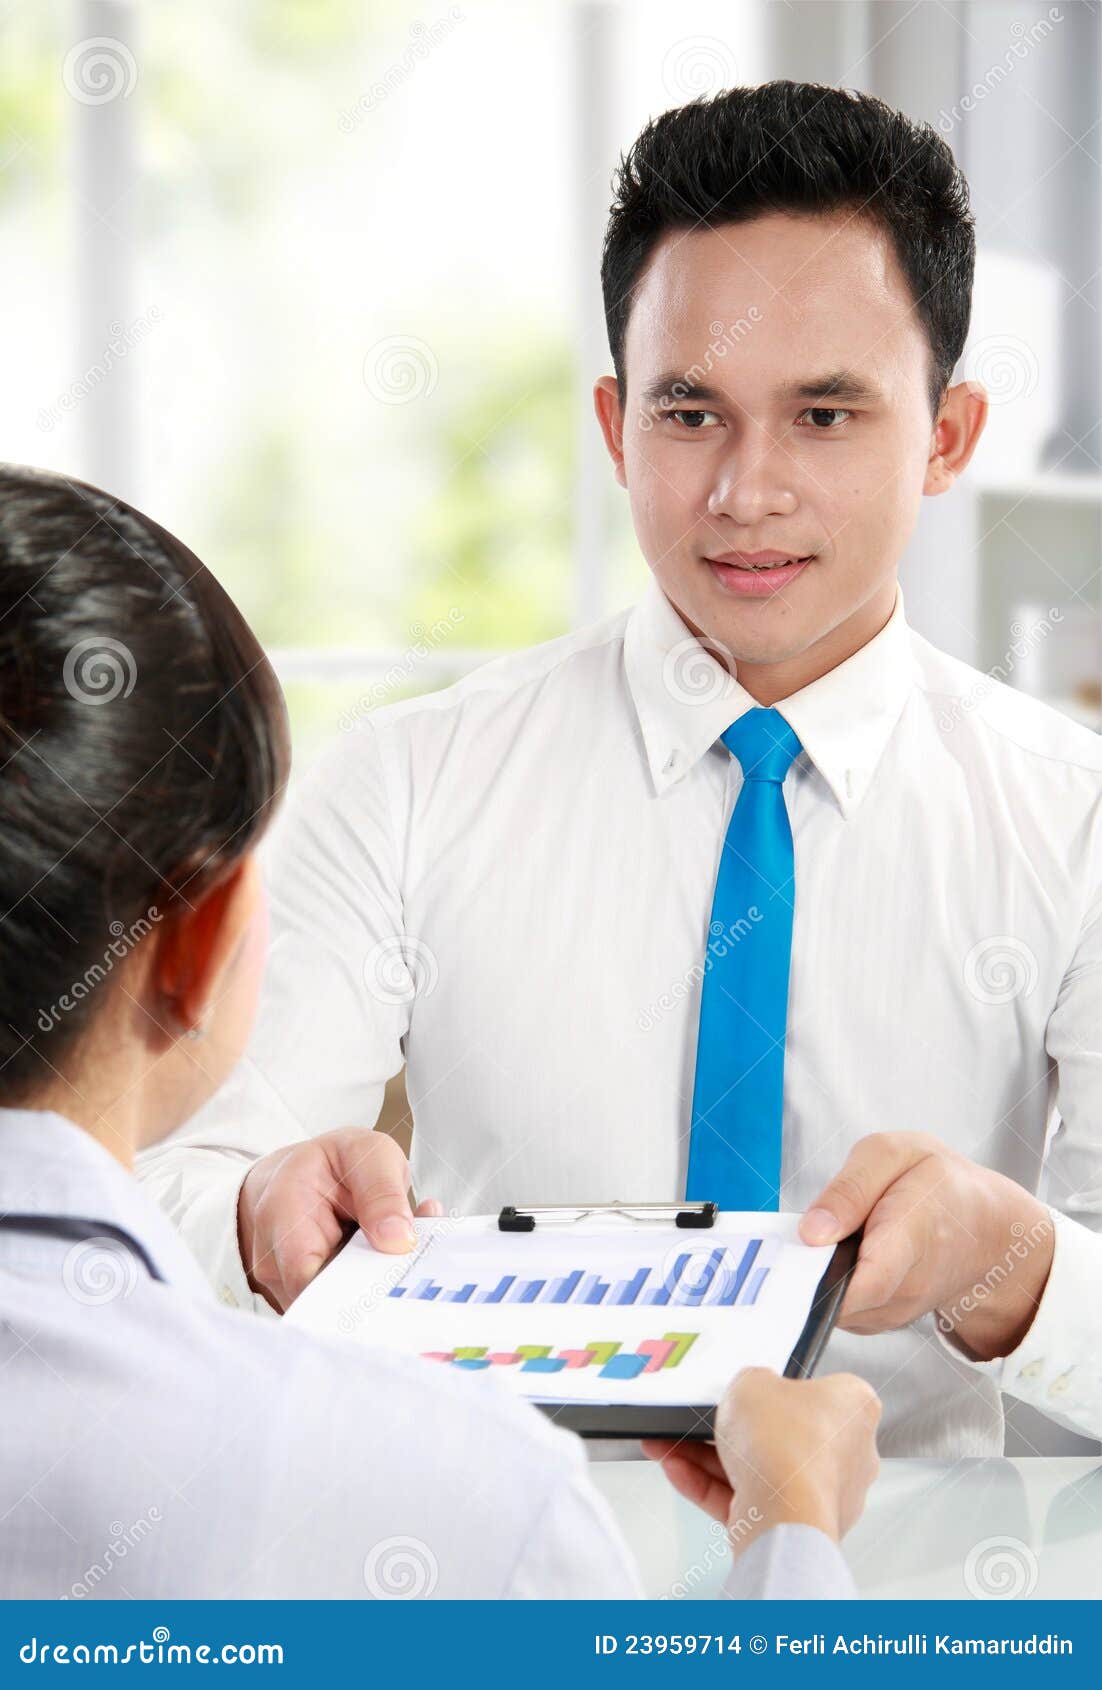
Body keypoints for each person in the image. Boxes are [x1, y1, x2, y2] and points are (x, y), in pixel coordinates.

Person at [140, 80, 1102, 1455]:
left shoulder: (1074, 824)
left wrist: (1013, 1264)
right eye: (689, 413)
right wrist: (252, 1215)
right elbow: (163, 1193)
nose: (745, 490)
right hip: (498, 1566)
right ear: (612, 426)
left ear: (944, 435)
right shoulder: (408, 783)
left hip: (908, 1597)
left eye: (824, 416)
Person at [0, 463, 880, 1600]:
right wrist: (791, 1530)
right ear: (195, 941)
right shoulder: (460, 1498)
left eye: (820, 423)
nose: (751, 489)